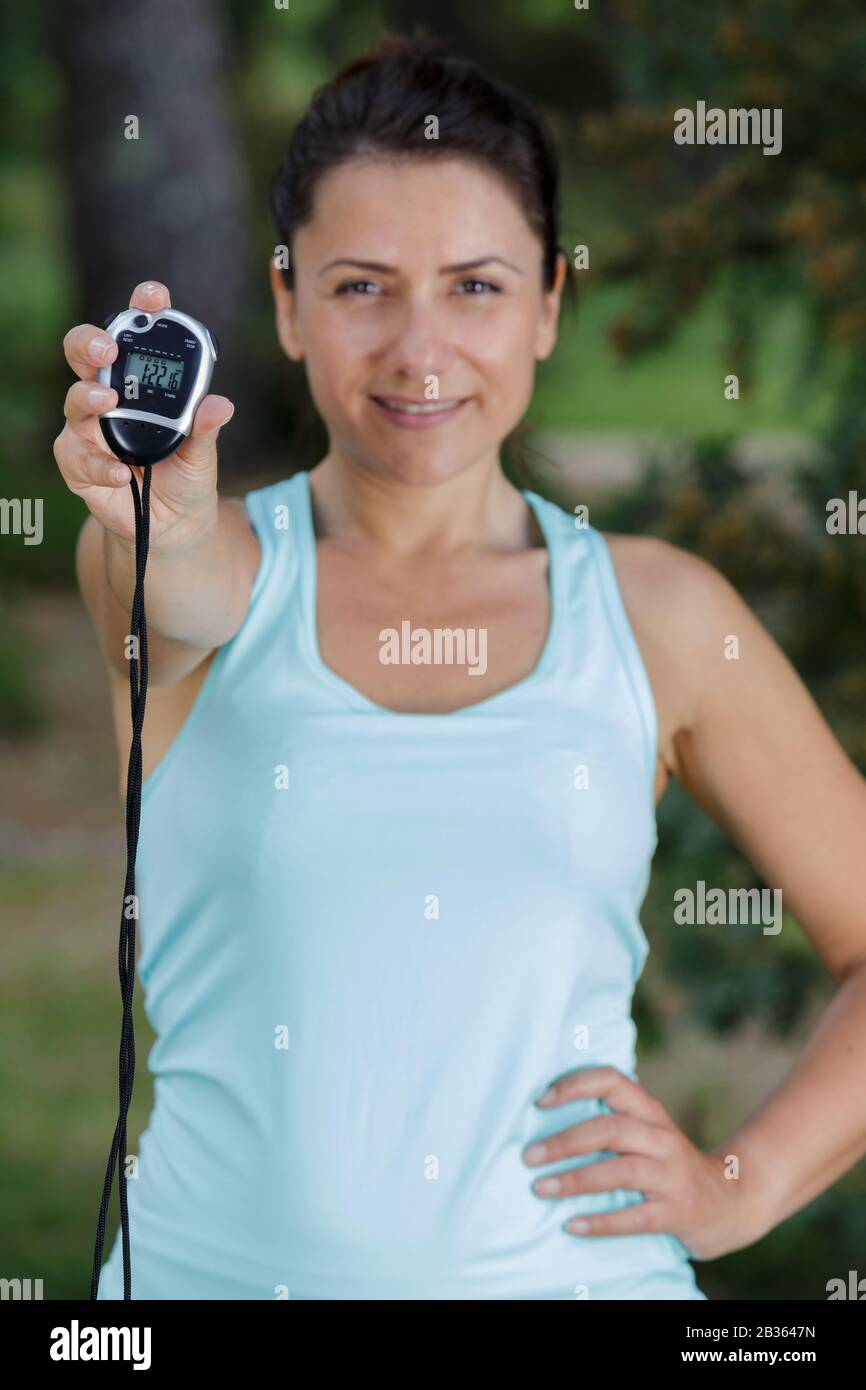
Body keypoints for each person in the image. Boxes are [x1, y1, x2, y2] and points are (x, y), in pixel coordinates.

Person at [56, 32, 866, 1301]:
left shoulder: (654, 613)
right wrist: (149, 497)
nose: (418, 350)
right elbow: (185, 593)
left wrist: (736, 1184)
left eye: (475, 287)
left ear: (549, 304)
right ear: (285, 303)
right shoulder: (177, 560)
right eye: (363, 287)